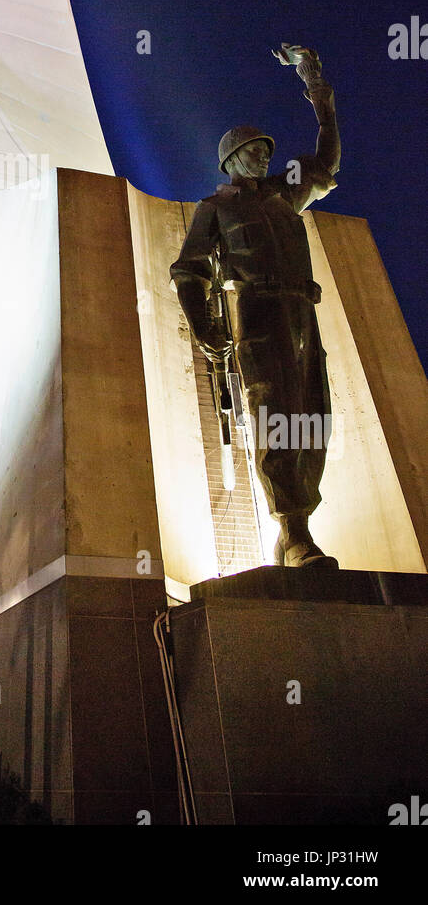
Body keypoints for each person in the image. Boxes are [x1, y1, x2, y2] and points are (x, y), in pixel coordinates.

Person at [169, 44, 341, 568]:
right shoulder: (216, 207)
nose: (263, 155)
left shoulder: (284, 195)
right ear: (229, 159)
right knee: (274, 414)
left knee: (313, 413)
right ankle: (292, 531)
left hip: (300, 314)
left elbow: (326, 160)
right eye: (252, 150)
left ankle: (301, 523)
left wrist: (320, 97)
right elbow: (188, 269)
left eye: (266, 149)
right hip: (258, 316)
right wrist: (204, 327)